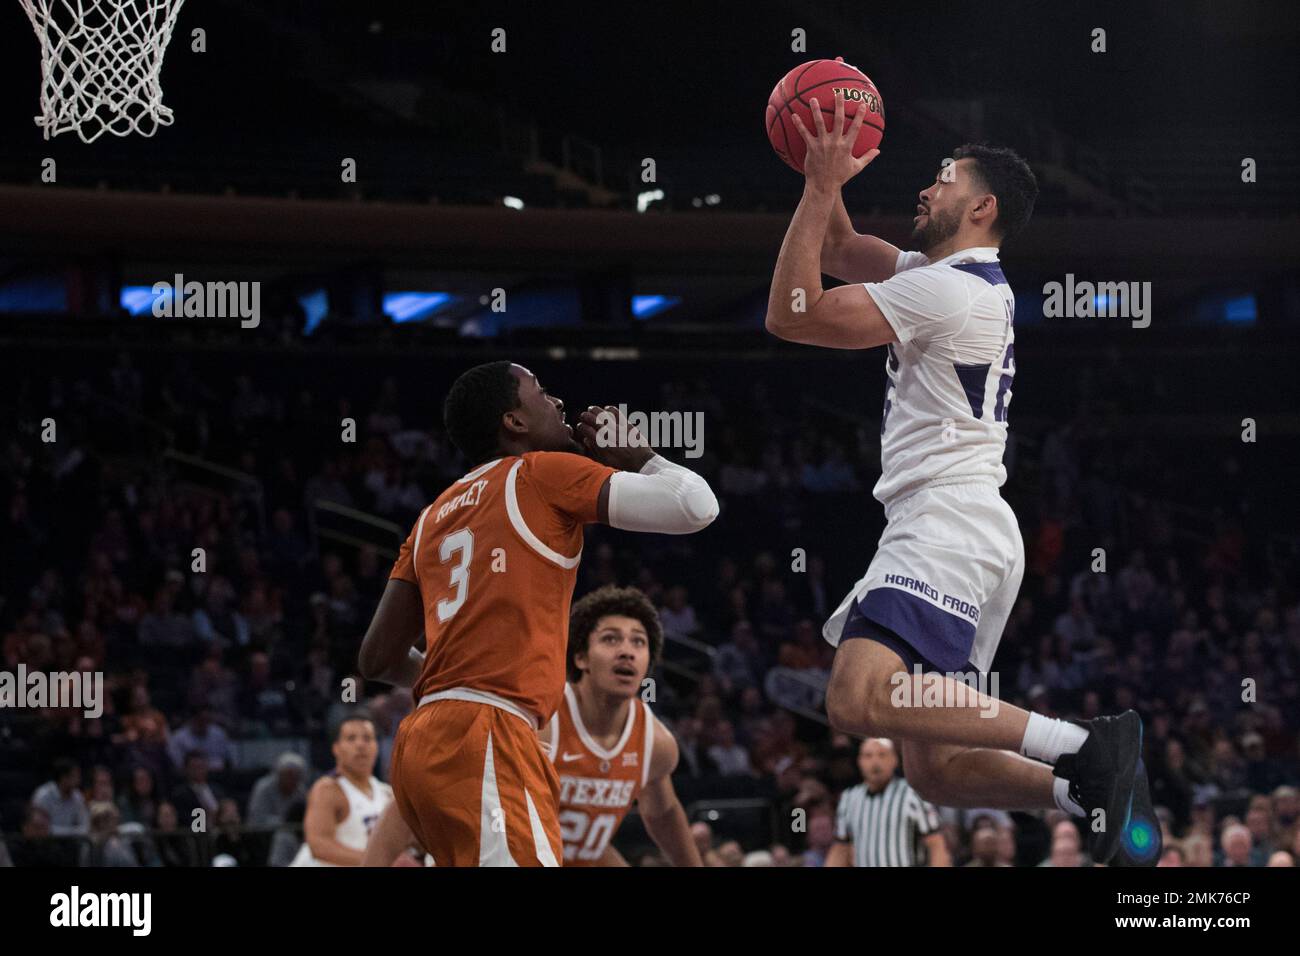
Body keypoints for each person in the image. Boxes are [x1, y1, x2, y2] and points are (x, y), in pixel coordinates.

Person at [764, 83, 1154, 866]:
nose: (926, 184)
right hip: (968, 527)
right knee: (935, 767)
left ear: (982, 210)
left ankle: (1083, 743)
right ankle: (1075, 789)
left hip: (945, 521)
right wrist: (821, 164)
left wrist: (817, 185)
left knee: (855, 697)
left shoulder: (947, 290)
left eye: (945, 176)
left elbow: (794, 312)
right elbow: (837, 249)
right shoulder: (945, 275)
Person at [358, 362, 717, 866]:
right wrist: (639, 454)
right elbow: (696, 507)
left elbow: (376, 658)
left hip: (422, 739)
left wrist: (455, 685)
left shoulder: (433, 514)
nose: (559, 403)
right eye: (542, 394)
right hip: (489, 732)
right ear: (515, 422)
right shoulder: (541, 472)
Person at [362, 585, 704, 867]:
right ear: (581, 658)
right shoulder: (535, 718)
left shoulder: (655, 743)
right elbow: (413, 800)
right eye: (611, 639)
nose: (627, 652)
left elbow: (663, 813)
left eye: (638, 642)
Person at [826, 738, 949, 867]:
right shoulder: (849, 798)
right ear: (859, 761)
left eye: (882, 755)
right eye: (868, 756)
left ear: (894, 760)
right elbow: (840, 848)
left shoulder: (912, 795)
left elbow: (936, 844)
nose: (875, 762)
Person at [291, 711, 391, 867]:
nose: (360, 745)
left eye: (367, 738)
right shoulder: (327, 789)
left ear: (376, 747)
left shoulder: (387, 793)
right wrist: (379, 861)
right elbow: (319, 846)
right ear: (336, 748)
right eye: (351, 738)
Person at [246, 752, 307, 827]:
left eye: (296, 776)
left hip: (291, 833)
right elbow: (257, 818)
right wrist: (285, 821)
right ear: (279, 774)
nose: (292, 780)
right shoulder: (263, 788)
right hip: (263, 833)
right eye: (288, 775)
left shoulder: (300, 791)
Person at [31, 758, 89, 836]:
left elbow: (85, 827)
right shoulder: (43, 795)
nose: (78, 781)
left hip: (72, 842)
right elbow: (41, 829)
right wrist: (72, 831)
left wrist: (63, 832)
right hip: (47, 842)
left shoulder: (78, 796)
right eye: (75, 776)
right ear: (64, 778)